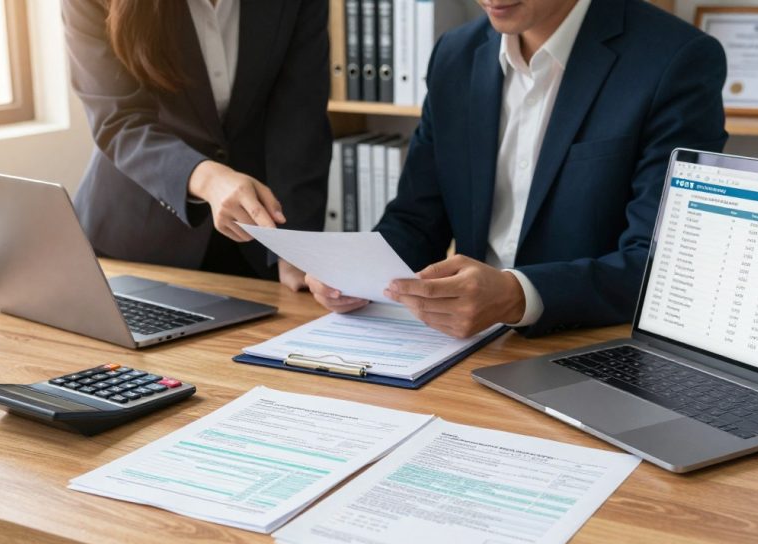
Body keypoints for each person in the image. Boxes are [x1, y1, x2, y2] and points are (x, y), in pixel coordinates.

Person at [308, 0, 727, 336]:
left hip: (588, 345)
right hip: (458, 343)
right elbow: (418, 219)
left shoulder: (675, 59)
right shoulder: (454, 54)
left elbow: (660, 261)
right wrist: (354, 274)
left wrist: (517, 295)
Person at [62, 0, 331, 288]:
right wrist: (209, 179)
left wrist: (294, 245)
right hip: (138, 241)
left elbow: (300, 117)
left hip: (254, 243)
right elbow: (118, 121)